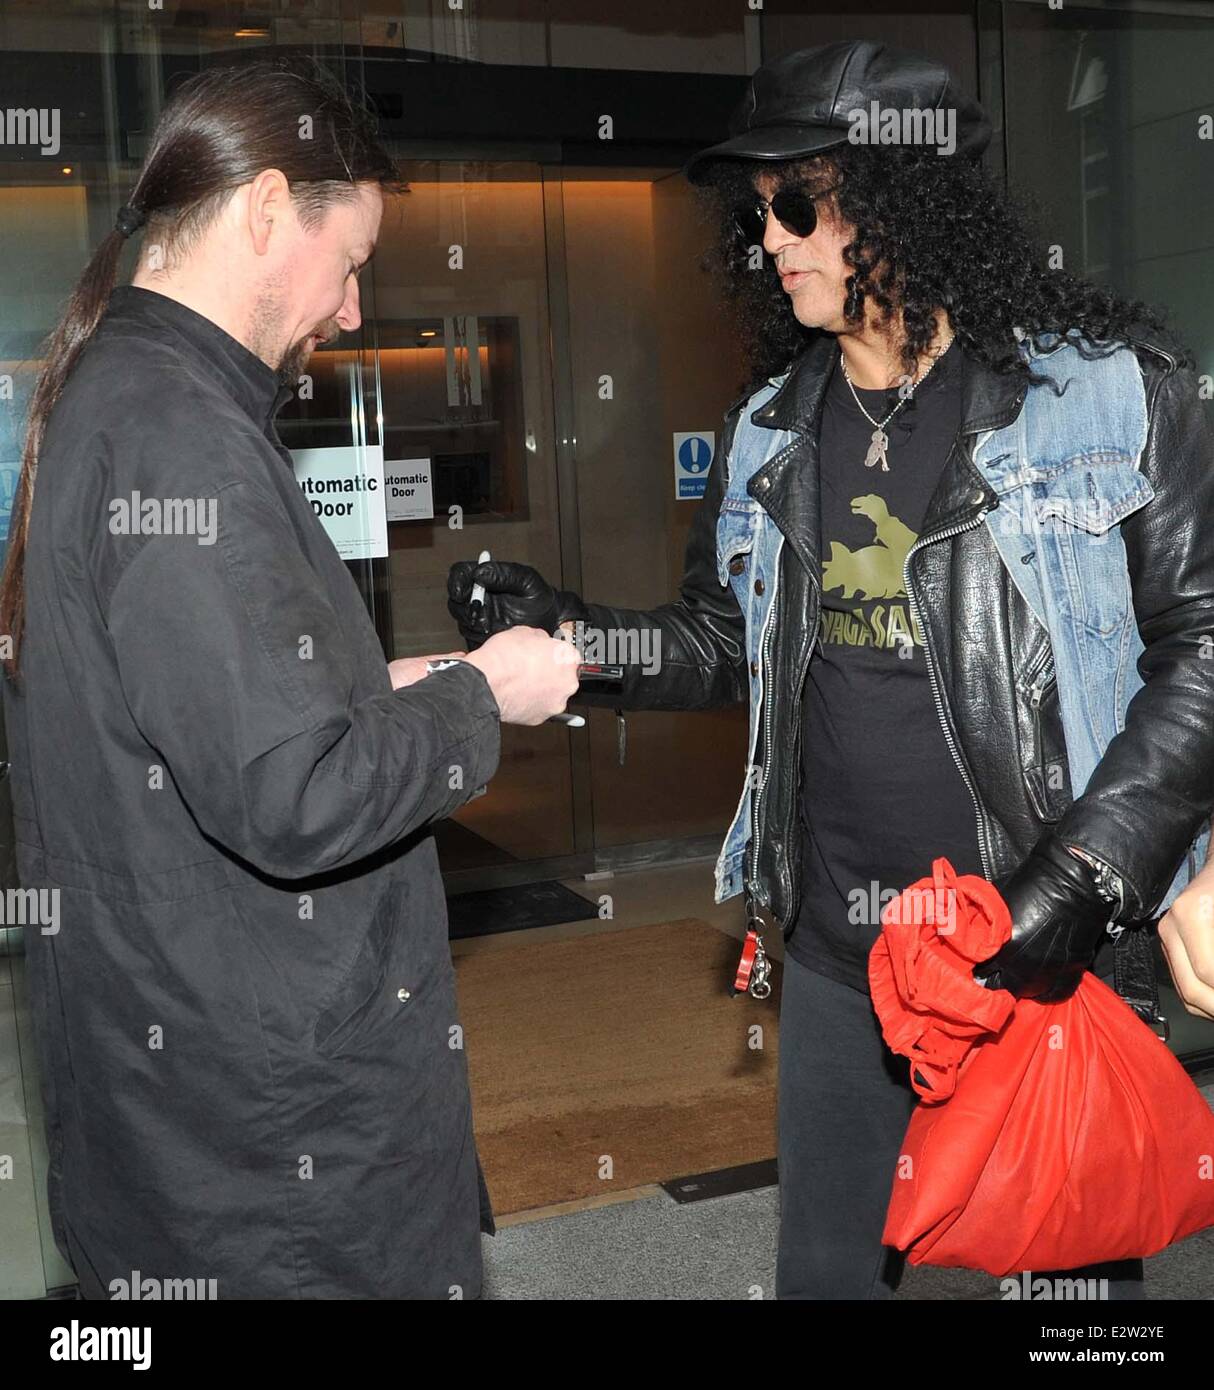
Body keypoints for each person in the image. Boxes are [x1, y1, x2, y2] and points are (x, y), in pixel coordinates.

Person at [447, 40, 1214, 1300]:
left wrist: (1080, 882)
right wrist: (576, 634)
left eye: (797, 204)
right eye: (756, 214)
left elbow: (1197, 647)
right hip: (834, 956)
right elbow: (725, 636)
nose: (770, 239)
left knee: (1048, 1282)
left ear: (902, 198)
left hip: (1020, 944)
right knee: (827, 1274)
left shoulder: (1098, 403)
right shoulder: (771, 429)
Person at [0, 58, 579, 1299]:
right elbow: (293, 795)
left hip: (186, 1127)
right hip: (274, 1168)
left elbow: (208, 716)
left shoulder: (121, 400)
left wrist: (412, 676)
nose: (353, 308)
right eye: (351, 257)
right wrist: (488, 697)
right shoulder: (182, 436)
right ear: (266, 210)